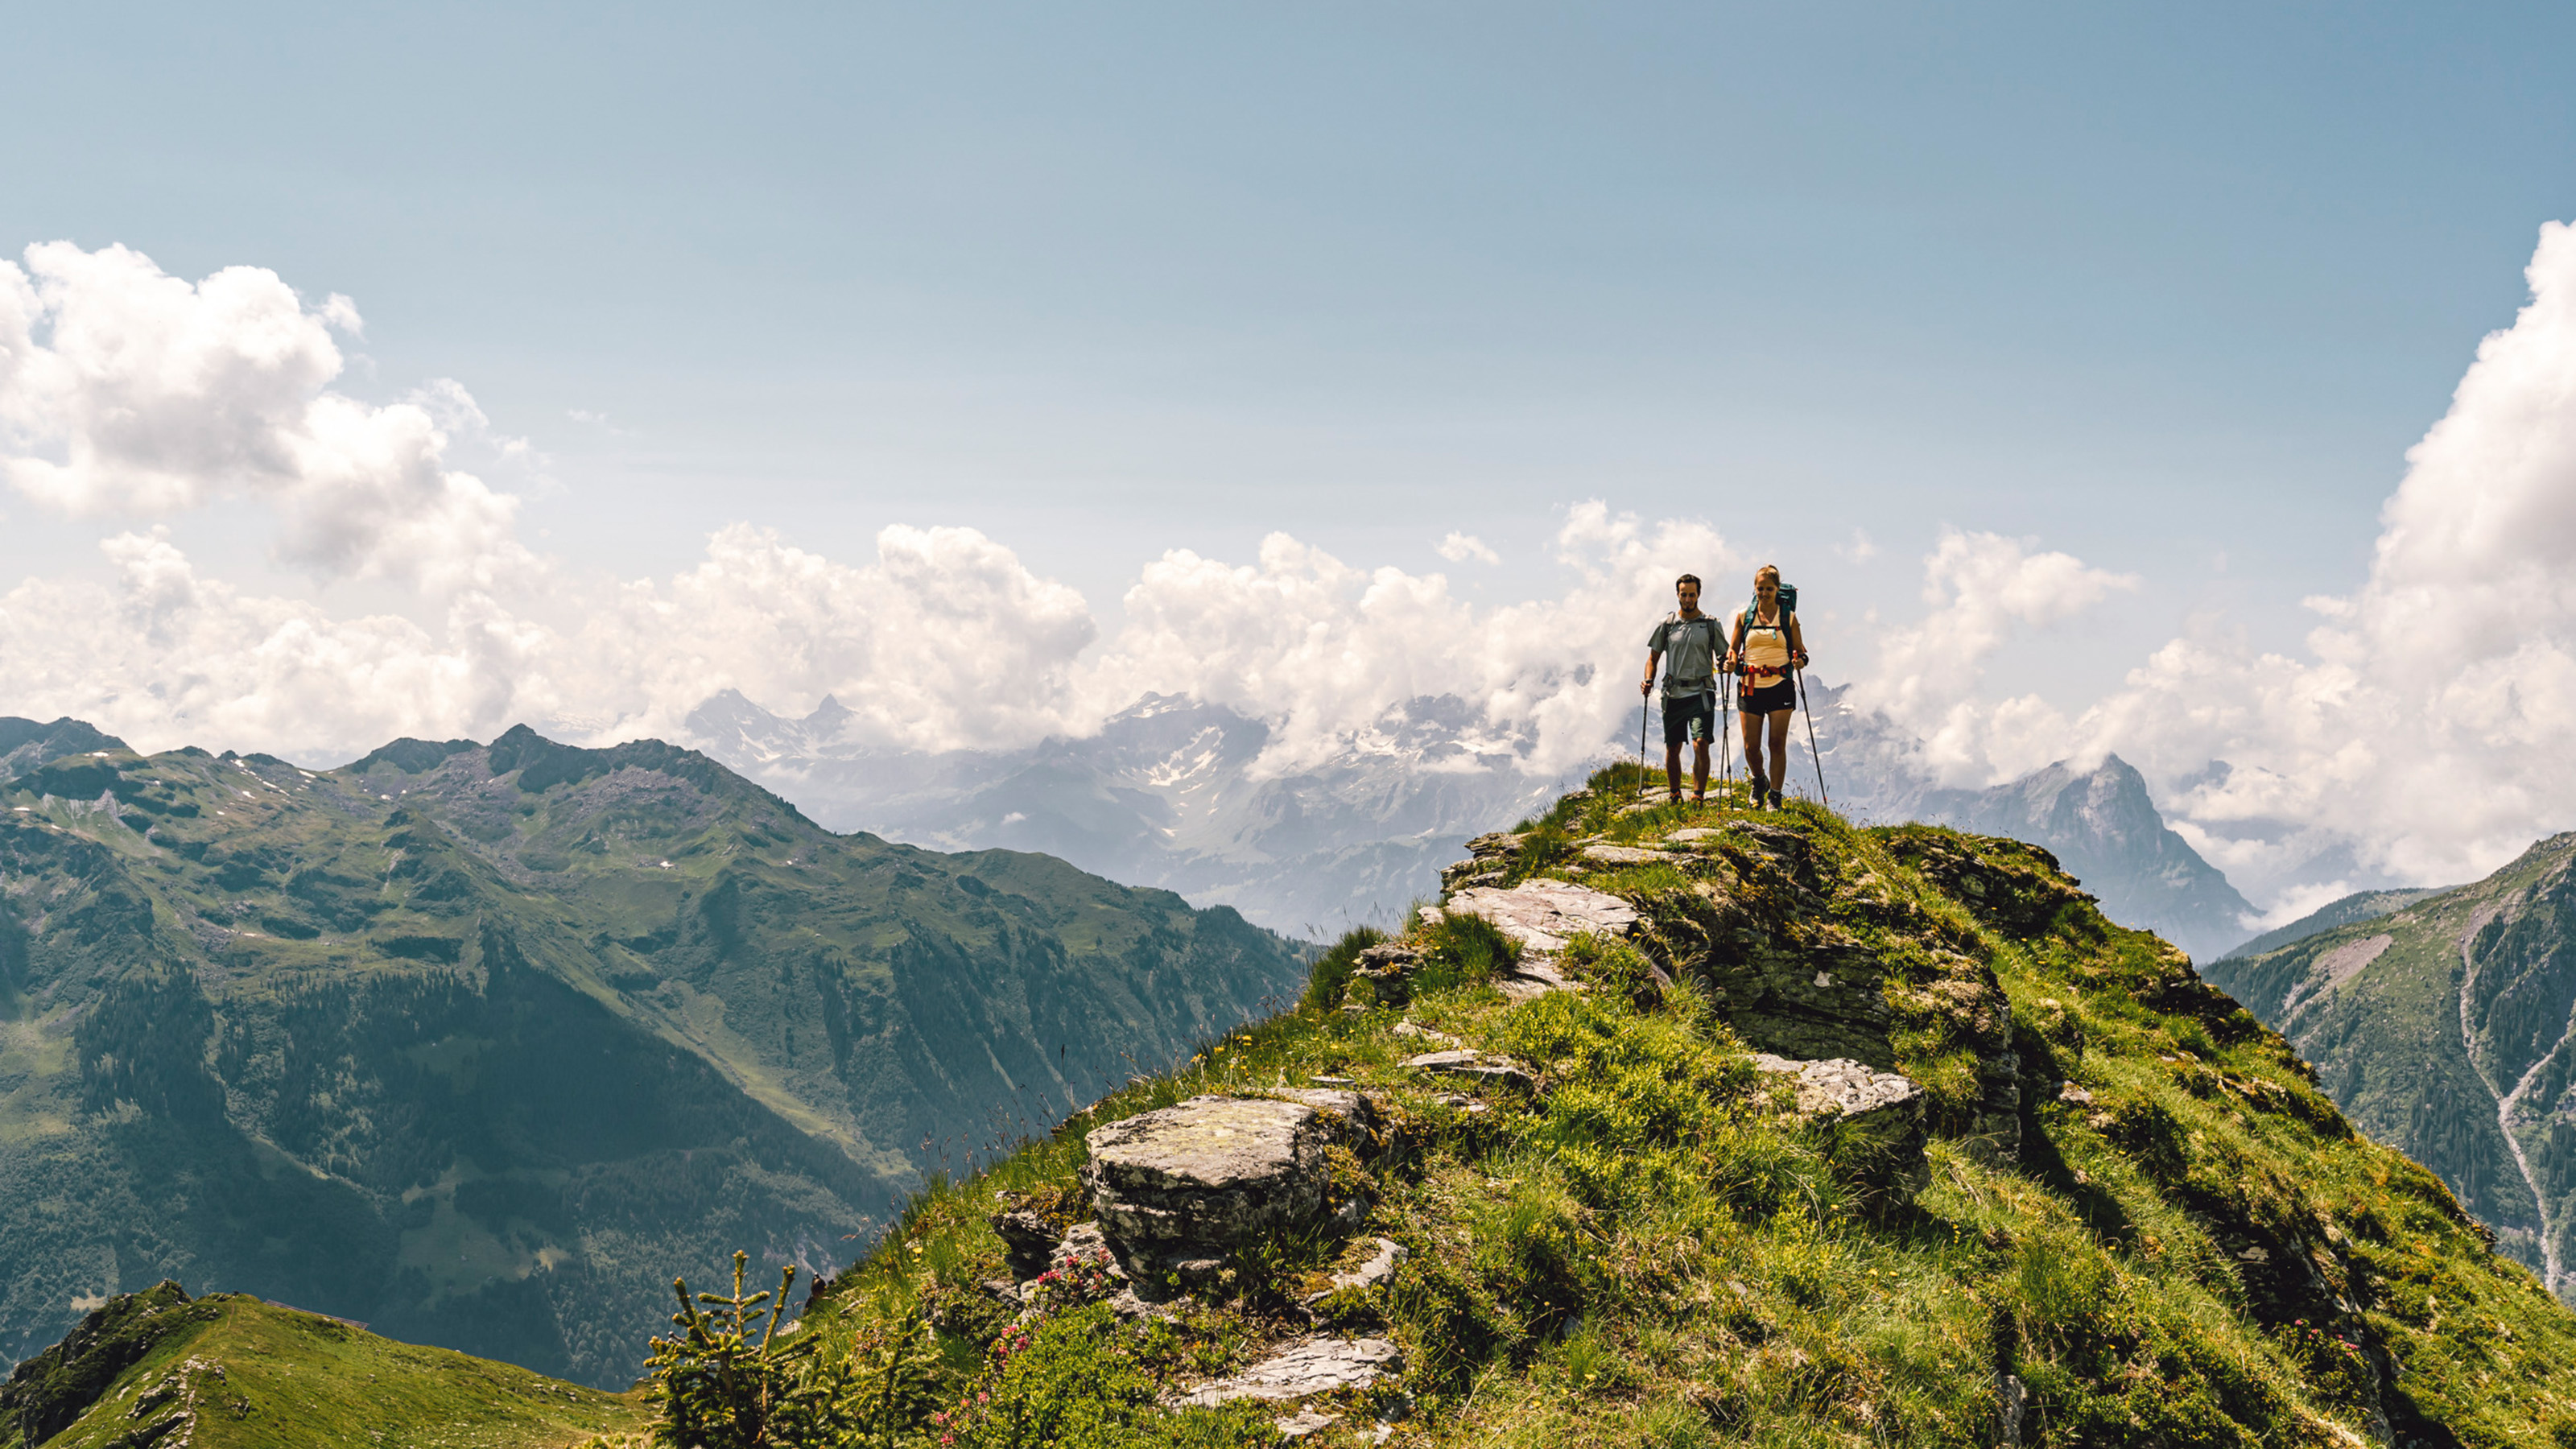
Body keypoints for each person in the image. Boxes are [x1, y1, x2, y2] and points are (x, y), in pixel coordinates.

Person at [1729, 564, 1809, 810]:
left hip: (1780, 686)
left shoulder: (1789, 618)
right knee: (1751, 746)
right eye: (1760, 588)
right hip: (1750, 686)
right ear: (1754, 589)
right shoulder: (1744, 616)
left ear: (1777, 590)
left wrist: (1799, 661)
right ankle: (1758, 780)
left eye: (1769, 589)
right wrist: (1731, 660)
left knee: (1777, 743)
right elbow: (1733, 649)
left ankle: (1775, 796)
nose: (1764, 593)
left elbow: (1803, 653)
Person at [1640, 573, 1724, 803]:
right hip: (1674, 693)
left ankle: (1698, 796)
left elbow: (1724, 654)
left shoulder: (1710, 624)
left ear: (1699, 595)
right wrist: (1648, 680)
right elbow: (1653, 659)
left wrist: (1726, 662)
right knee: (1673, 746)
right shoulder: (1667, 626)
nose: (1688, 599)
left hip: (1701, 693)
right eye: (1684, 595)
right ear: (1677, 595)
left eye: (1692, 595)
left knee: (1701, 743)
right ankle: (1675, 794)